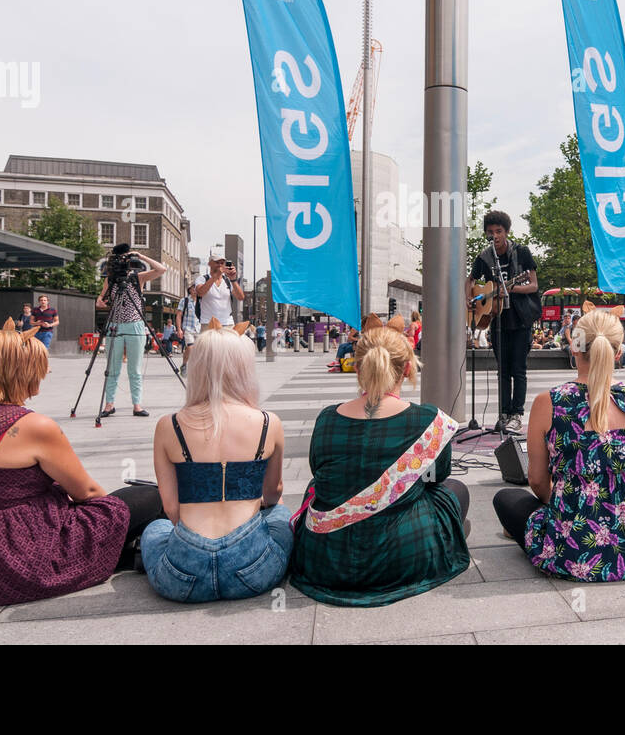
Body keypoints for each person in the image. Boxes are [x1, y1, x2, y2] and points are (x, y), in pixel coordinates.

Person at [0, 322, 164, 607]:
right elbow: (88, 492)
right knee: (149, 497)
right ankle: (141, 551)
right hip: (8, 564)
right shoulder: (31, 425)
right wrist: (108, 528)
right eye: (39, 366)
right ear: (20, 372)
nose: (46, 372)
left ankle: (129, 551)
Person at [291, 319, 470, 606]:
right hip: (401, 558)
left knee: (316, 487)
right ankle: (444, 538)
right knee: (455, 491)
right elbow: (438, 477)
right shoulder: (427, 420)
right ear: (408, 368)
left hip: (326, 560)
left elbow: (319, 472)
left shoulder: (327, 418)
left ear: (358, 368)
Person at [492, 309, 625, 581]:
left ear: (574, 347)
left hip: (572, 552)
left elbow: (538, 481)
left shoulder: (549, 402)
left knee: (506, 499)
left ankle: (525, 530)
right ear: (618, 352)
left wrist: (576, 501)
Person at [140, 330, 289, 602]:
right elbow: (272, 494)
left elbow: (172, 509)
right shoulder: (269, 422)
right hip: (252, 570)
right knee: (281, 517)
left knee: (154, 530)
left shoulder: (168, 425)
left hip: (183, 575)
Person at [466, 210, 539, 435]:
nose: (495, 235)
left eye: (499, 231)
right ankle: (503, 414)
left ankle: (516, 414)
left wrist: (511, 288)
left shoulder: (521, 253)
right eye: (490, 232)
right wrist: (468, 300)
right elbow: (470, 280)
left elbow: (534, 285)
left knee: (518, 369)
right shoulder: (484, 257)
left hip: (520, 319)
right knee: (502, 371)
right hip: (497, 319)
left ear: (506, 232)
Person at [97, 243, 166, 418]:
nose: (124, 261)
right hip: (115, 324)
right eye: (121, 258)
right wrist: (99, 302)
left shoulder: (138, 278)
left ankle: (137, 405)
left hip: (135, 324)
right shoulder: (110, 279)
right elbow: (101, 298)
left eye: (127, 258)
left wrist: (140, 256)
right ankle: (109, 404)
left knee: (134, 369)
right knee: (112, 369)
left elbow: (161, 269)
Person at [196, 255, 244, 330]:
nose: (220, 265)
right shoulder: (202, 279)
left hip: (227, 323)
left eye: (222, 263)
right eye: (217, 262)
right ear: (209, 264)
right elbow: (200, 293)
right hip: (208, 323)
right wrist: (215, 276)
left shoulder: (227, 280)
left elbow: (240, 297)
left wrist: (233, 279)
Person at [176, 284, 200, 375]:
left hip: (199, 328)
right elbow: (179, 315)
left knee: (198, 350)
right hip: (188, 328)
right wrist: (179, 329)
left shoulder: (201, 301)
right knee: (190, 347)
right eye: (193, 288)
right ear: (189, 290)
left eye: (196, 288)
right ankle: (184, 365)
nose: (195, 290)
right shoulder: (184, 301)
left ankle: (195, 368)